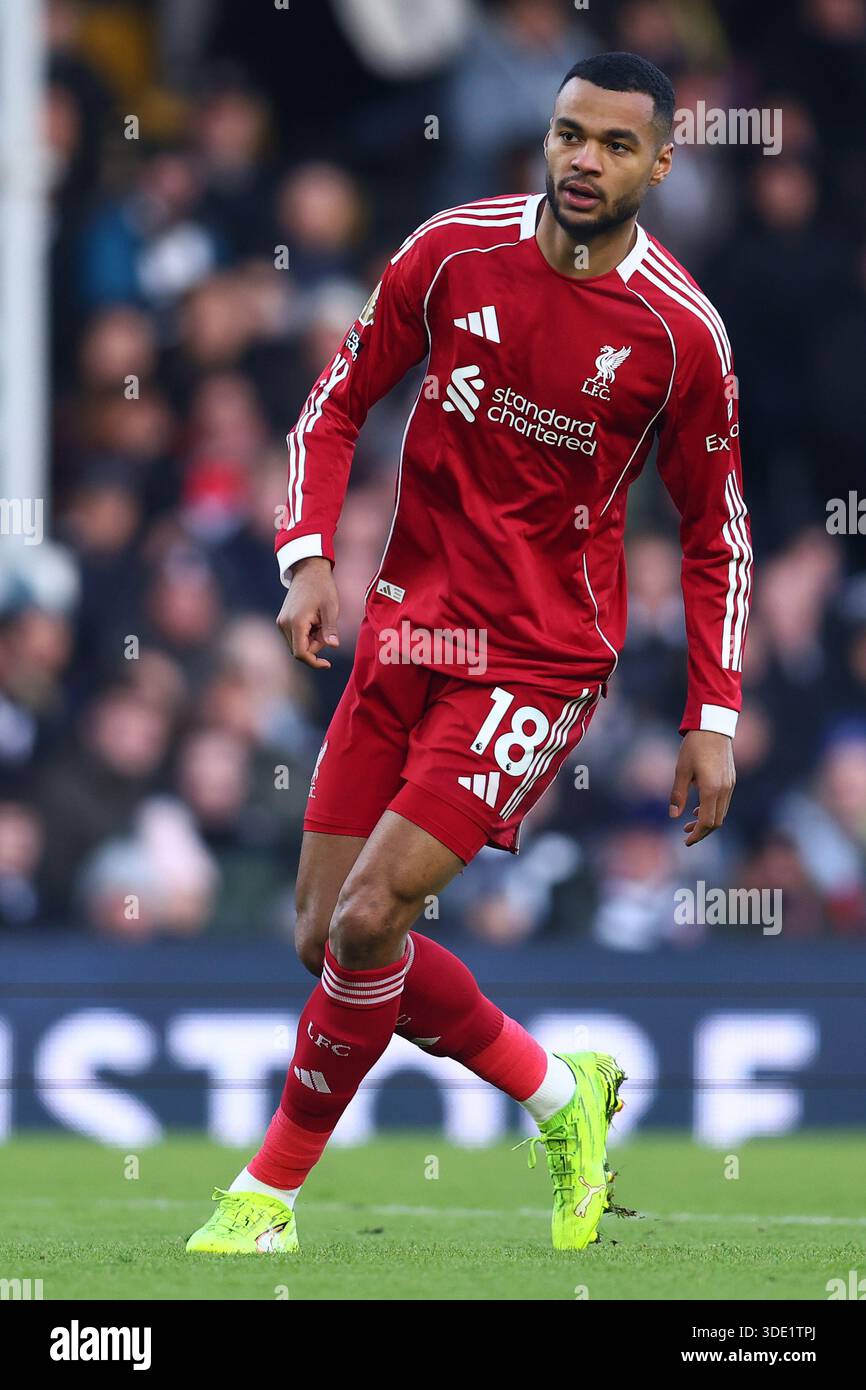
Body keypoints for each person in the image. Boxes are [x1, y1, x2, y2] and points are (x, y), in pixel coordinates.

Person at [186, 51, 751, 1256]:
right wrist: (305, 554)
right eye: (566, 136)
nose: (581, 161)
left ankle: (266, 1195)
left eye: (610, 144)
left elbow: (717, 532)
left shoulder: (678, 335)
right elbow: (336, 398)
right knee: (326, 934)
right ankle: (560, 1091)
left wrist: (712, 712)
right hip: (403, 630)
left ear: (658, 162)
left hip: (537, 659)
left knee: (369, 915)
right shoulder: (449, 252)